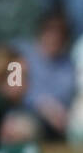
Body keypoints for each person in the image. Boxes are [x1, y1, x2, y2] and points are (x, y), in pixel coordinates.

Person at [13, 11, 77, 141]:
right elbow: (12, 89)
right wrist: (41, 104)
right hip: (18, 115)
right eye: (50, 31)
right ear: (40, 32)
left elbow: (66, 96)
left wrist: (55, 111)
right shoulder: (18, 54)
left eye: (60, 33)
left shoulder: (68, 65)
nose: (55, 37)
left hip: (58, 121)